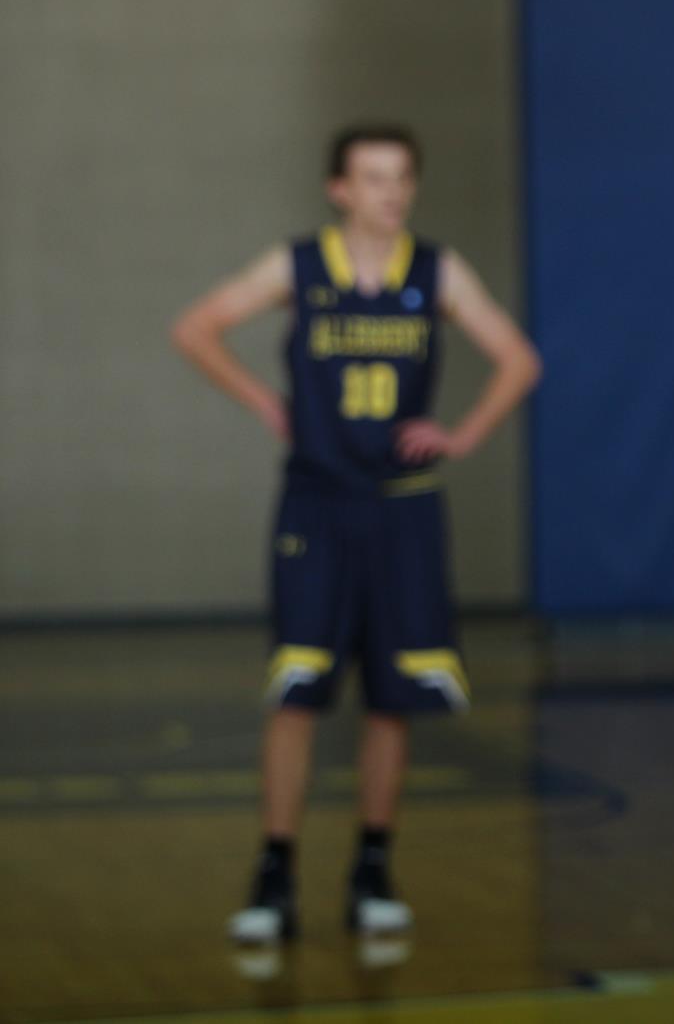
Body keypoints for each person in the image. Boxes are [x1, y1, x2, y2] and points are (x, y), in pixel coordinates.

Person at [170, 123, 540, 944]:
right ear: (340, 188)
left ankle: (373, 865)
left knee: (393, 698)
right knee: (296, 694)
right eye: (374, 177)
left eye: (402, 176)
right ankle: (274, 871)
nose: (392, 191)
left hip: (405, 505)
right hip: (317, 506)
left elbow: (519, 358)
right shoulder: (298, 266)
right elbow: (196, 326)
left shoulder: (436, 270)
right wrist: (265, 403)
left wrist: (464, 432)